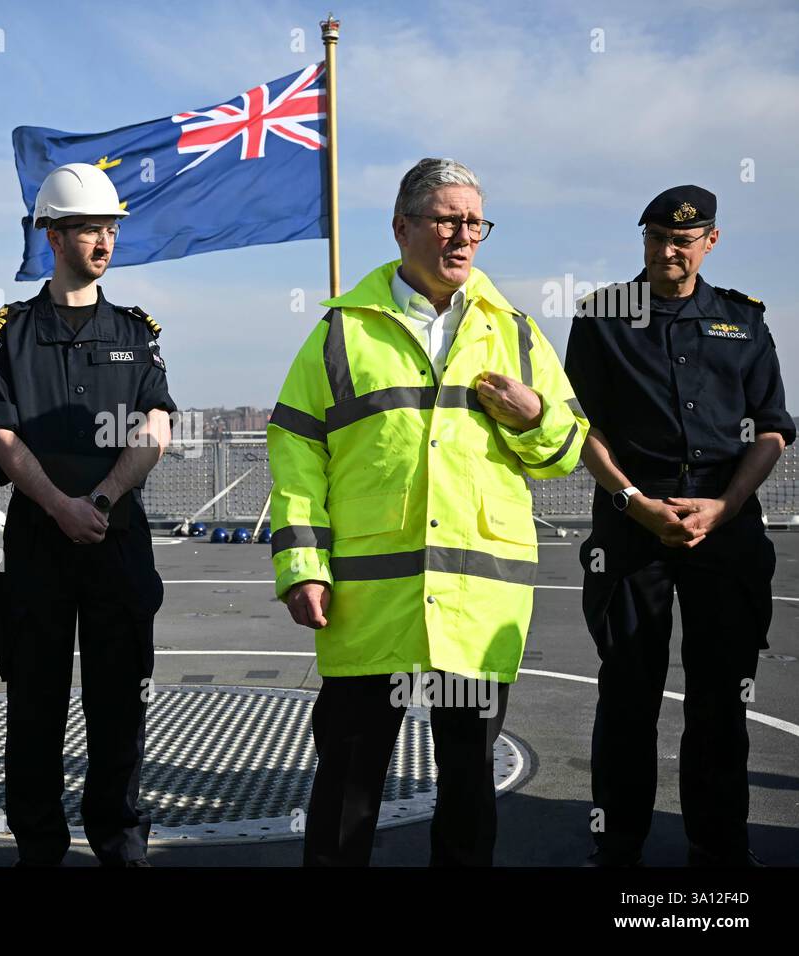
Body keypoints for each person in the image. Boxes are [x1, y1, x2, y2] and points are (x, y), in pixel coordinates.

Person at [268, 157, 587, 866]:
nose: (464, 235)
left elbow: (567, 450)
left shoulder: (517, 333)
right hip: (366, 608)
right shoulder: (340, 333)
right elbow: (294, 453)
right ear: (402, 227)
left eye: (475, 221)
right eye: (447, 219)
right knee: (349, 789)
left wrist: (534, 416)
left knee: (470, 792)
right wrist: (301, 566)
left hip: (476, 606)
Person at [565, 185, 793, 867]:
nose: (668, 250)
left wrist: (723, 507)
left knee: (721, 701)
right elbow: (581, 426)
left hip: (726, 525)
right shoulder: (603, 316)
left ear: (710, 242)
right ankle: (618, 846)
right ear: (643, 240)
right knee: (629, 692)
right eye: (656, 238)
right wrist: (636, 501)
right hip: (635, 524)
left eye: (683, 240)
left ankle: (720, 849)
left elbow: (774, 427)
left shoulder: (743, 321)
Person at [0, 162, 175, 866]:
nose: (105, 239)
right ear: (53, 236)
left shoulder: (135, 330)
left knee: (119, 705)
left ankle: (118, 839)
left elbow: (155, 426)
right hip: (37, 543)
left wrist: (97, 501)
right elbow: (1, 433)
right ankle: (40, 845)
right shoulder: (10, 333)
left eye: (111, 226)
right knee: (35, 704)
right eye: (91, 226)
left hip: (116, 541)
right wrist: (60, 507)